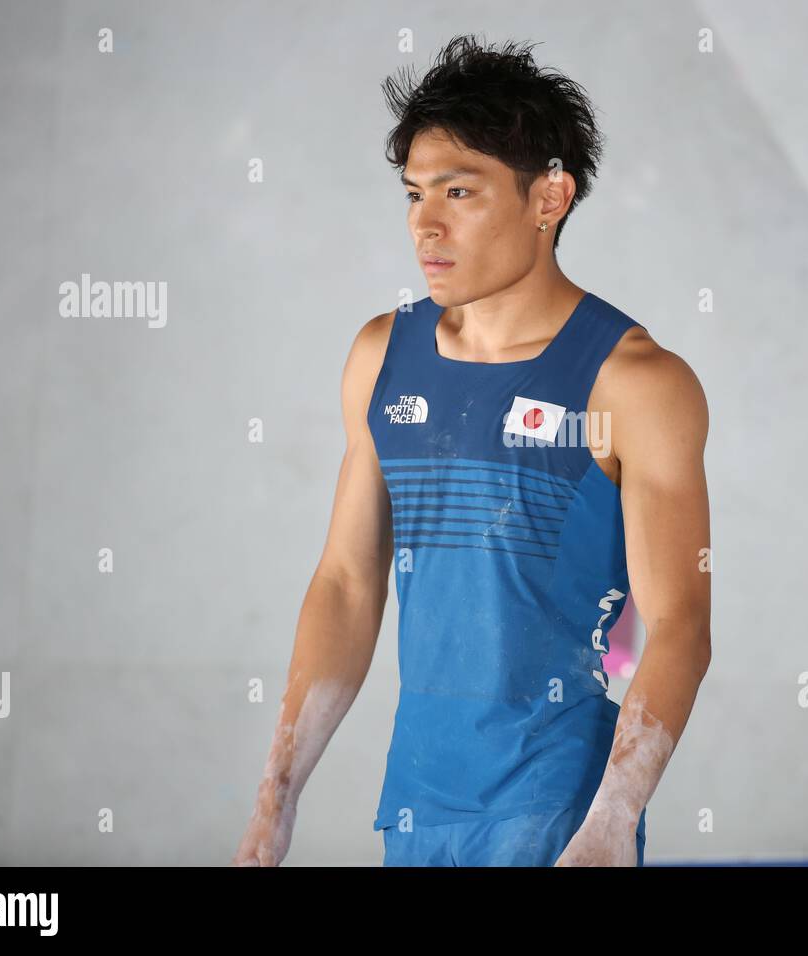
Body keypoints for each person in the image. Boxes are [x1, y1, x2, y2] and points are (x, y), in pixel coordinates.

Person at [233, 34, 710, 867]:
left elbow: (680, 625)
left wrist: (607, 827)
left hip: (557, 807)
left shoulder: (635, 382)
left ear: (548, 198)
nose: (427, 224)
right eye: (415, 194)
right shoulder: (382, 356)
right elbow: (346, 585)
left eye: (460, 191)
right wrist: (275, 800)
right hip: (415, 805)